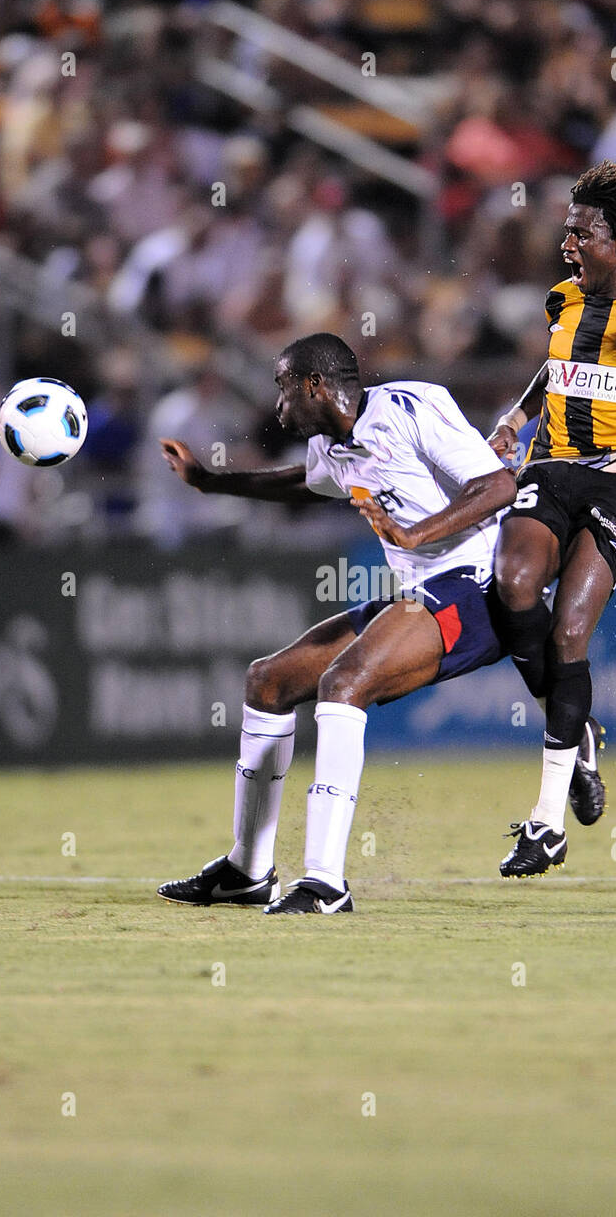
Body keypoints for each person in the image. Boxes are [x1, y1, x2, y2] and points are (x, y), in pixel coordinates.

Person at [355, 159, 616, 880]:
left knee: (571, 630)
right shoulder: (563, 301)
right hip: (555, 464)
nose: (568, 244)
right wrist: (518, 414)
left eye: (580, 232)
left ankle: (547, 822)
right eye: (568, 232)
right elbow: (555, 370)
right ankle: (576, 731)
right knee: (513, 582)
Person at [156, 332, 518, 915]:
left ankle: (325, 882)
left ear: (315, 386)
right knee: (268, 682)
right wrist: (211, 482)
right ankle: (248, 871)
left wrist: (415, 535)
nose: (277, 405)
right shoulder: (331, 446)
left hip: (478, 585)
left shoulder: (410, 406)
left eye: (282, 388)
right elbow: (304, 482)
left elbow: (500, 485)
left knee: (341, 684)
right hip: (416, 592)